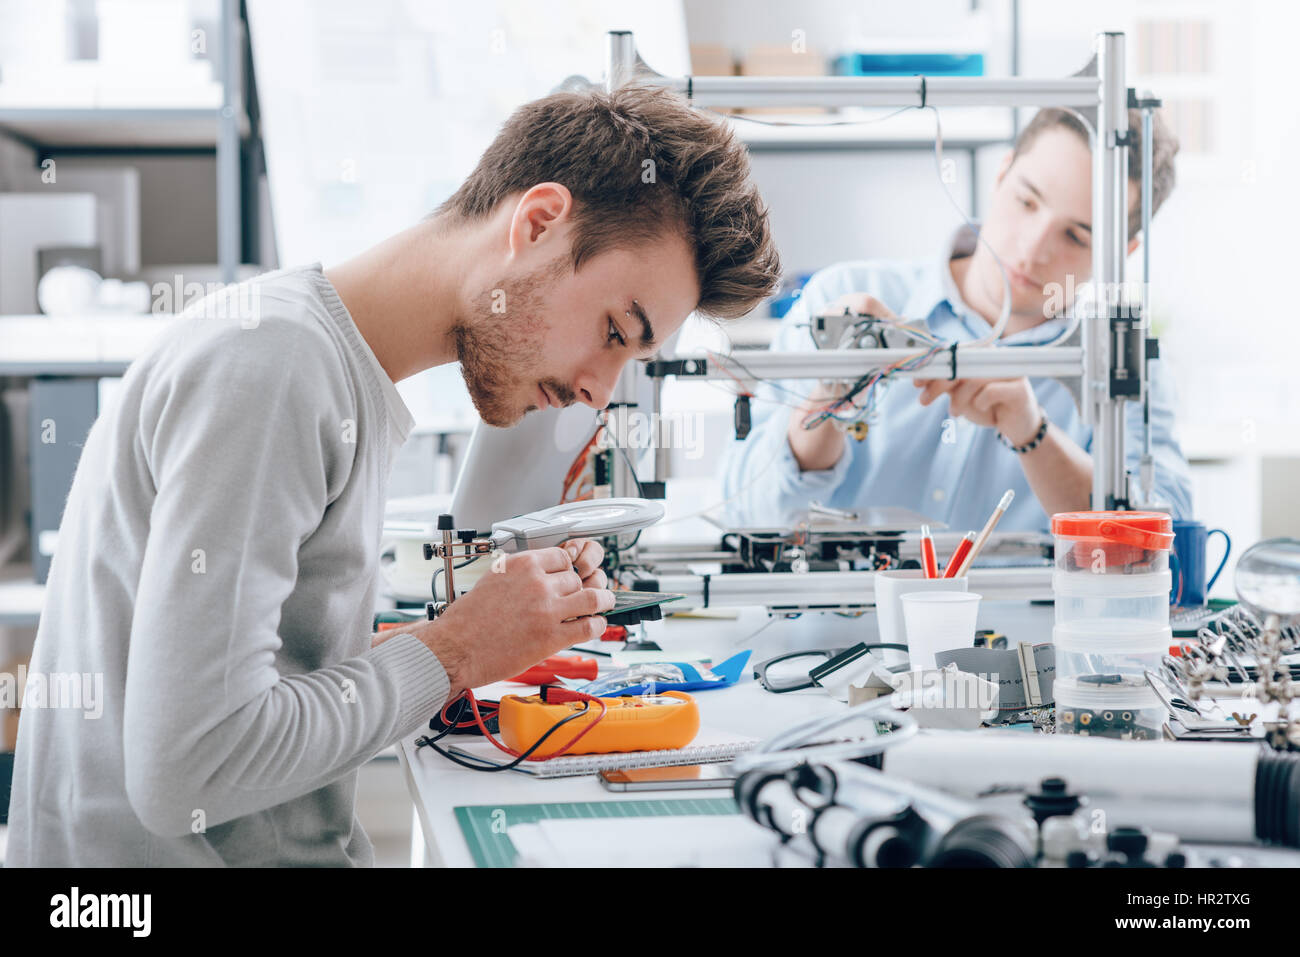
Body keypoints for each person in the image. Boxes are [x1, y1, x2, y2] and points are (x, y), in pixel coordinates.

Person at [7, 85, 780, 866]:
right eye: (615, 331)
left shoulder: (327, 369)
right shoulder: (274, 367)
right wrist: (454, 650)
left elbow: (259, 686)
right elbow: (188, 768)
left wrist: (474, 638)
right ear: (538, 223)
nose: (598, 391)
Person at [720, 104, 1192, 533]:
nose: (1032, 249)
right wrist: (825, 401)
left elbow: (1158, 546)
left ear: (1122, 252)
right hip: (837, 626)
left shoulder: (1129, 365)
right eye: (1027, 202)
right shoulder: (841, 297)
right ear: (1002, 173)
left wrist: (1034, 435)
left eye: (1076, 235)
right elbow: (743, 515)